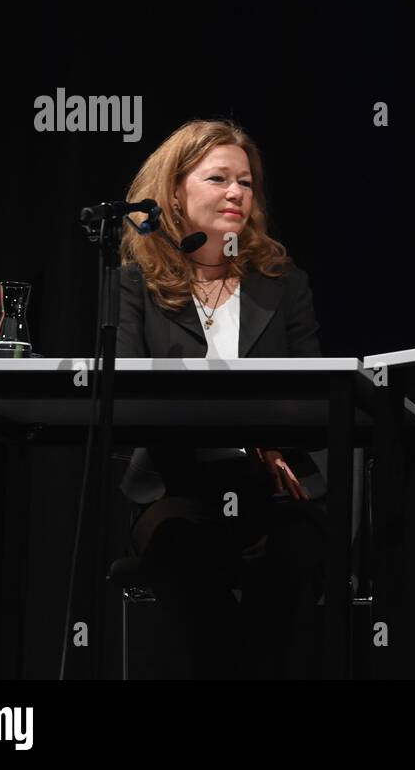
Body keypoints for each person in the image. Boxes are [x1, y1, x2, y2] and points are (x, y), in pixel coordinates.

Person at [116, 118, 326, 679]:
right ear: (175, 192)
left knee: (296, 552)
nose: (237, 192)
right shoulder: (136, 284)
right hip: (176, 481)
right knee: (180, 550)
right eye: (218, 178)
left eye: (246, 181)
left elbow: (312, 389)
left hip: (272, 486)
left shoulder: (284, 284)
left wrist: (274, 439)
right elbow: (128, 392)